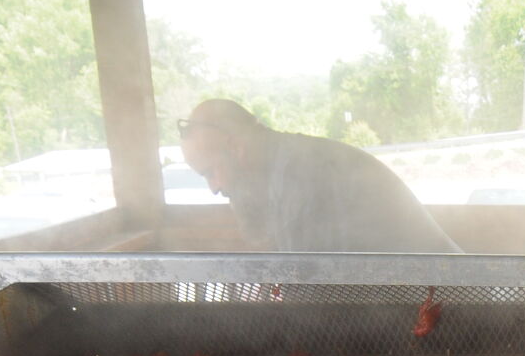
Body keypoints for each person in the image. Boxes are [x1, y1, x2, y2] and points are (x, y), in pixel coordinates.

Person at [178, 98, 460, 253]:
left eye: (211, 172)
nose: (214, 188)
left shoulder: (303, 174)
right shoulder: (281, 167)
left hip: (448, 310)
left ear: (236, 147)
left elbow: (311, 295)